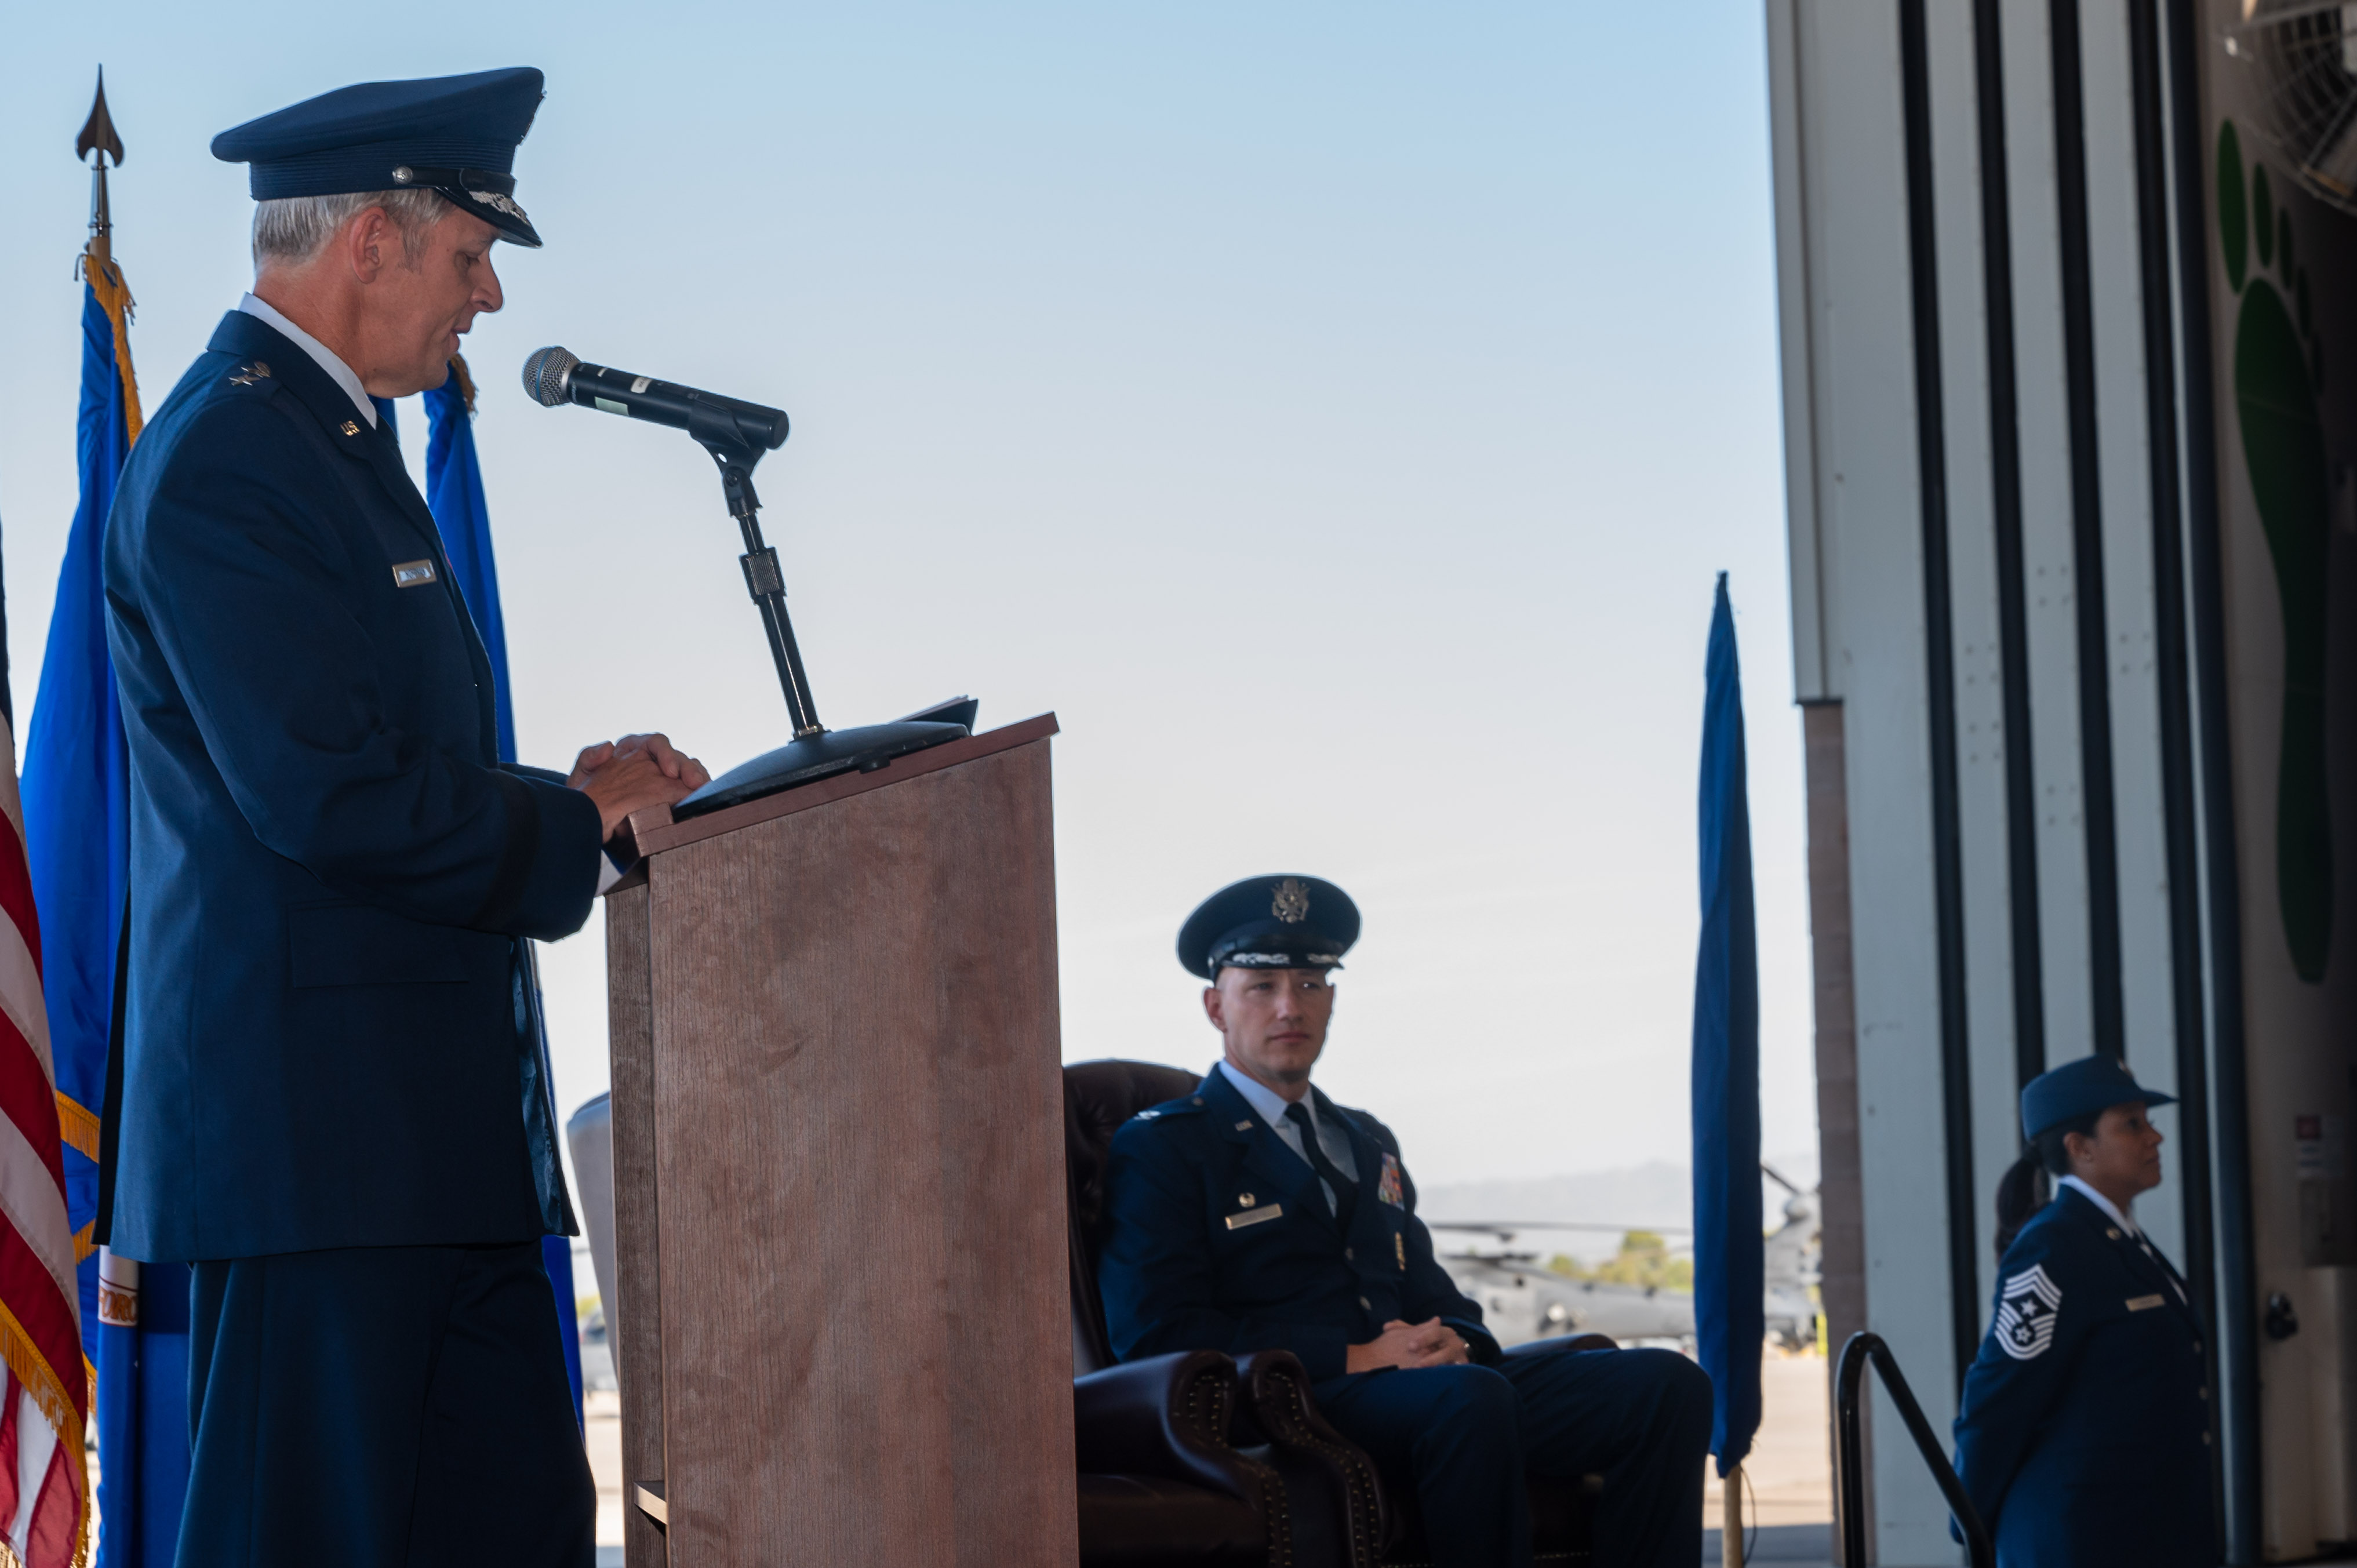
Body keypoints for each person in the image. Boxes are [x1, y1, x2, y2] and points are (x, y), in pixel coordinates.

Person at [102, 68, 707, 1567]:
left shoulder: (329, 444)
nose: (490, 297)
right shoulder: (230, 455)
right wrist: (577, 826)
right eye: (471, 253)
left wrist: (570, 801)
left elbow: (358, 758)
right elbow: (325, 793)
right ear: (372, 237)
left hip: (422, 1143)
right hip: (323, 1157)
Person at [1099, 875, 1713, 1568]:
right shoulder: (1167, 1143)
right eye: (1262, 988)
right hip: (1292, 1397)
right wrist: (1358, 1356)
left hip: (1429, 1386)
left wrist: (1456, 1340)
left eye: (1309, 983)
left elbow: (1435, 1294)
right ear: (1216, 1006)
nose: (1288, 1007)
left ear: (1332, 998)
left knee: (1665, 1384)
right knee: (1467, 1400)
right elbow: (1156, 1331)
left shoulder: (1366, 1139)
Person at [1951, 1054, 2214, 1566]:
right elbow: (1998, 1395)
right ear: (2080, 1148)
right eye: (2133, 1124)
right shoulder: (2054, 1247)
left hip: (2143, 1532)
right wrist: (1968, 1514)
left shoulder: (2121, 1239)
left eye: (2150, 1121)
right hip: (2085, 1539)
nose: (2154, 1137)